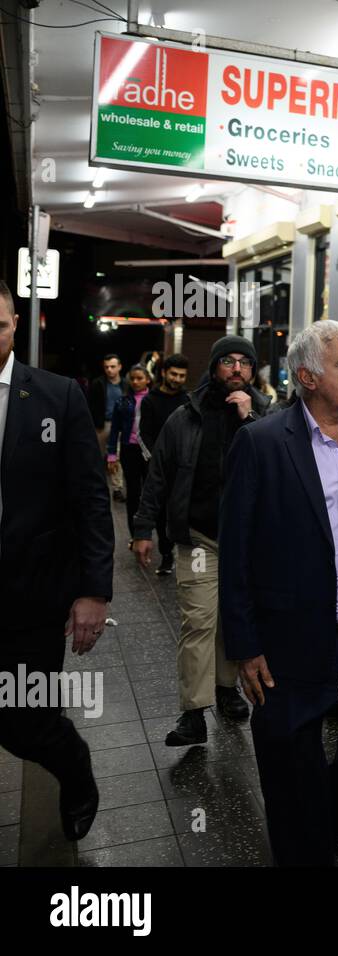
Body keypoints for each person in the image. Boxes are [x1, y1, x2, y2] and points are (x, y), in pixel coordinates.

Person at [221, 321, 338, 866]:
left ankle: (331, 801)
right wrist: (244, 645)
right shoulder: (262, 443)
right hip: (288, 641)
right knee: (288, 767)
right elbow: (234, 550)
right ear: (307, 376)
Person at [0, 280, 113, 841]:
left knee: (25, 722)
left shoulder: (55, 396)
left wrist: (94, 591)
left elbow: (91, 498)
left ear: (15, 322)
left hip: (32, 598)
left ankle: (76, 770)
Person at [132, 337, 269, 746]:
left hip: (248, 544)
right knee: (199, 622)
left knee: (231, 620)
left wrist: (249, 419)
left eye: (245, 363)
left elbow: (276, 470)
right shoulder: (185, 417)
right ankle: (193, 714)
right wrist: (142, 529)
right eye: (228, 361)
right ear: (213, 368)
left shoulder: (268, 416)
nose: (237, 369)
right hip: (198, 540)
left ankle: (226, 690)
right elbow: (157, 476)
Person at [139, 353, 190, 576]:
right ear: (163, 373)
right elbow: (145, 434)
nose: (177, 379)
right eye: (174, 374)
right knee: (159, 511)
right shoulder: (151, 400)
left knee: (179, 509)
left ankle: (178, 550)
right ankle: (166, 554)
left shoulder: (188, 400)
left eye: (182, 375)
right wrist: (155, 460)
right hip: (158, 465)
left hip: (183, 466)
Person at [105, 363, 153, 542]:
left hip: (148, 450)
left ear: (148, 380)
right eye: (132, 379)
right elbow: (115, 429)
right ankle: (135, 534)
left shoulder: (153, 399)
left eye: (140, 378)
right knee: (133, 492)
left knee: (150, 491)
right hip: (129, 449)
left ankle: (147, 529)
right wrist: (111, 455)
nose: (135, 382)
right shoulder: (123, 401)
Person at [87, 353, 126, 501]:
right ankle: (95, 486)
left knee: (116, 457)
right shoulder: (98, 383)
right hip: (102, 425)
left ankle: (117, 489)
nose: (109, 370)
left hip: (120, 426)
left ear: (120, 367)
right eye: (106, 367)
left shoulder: (126, 384)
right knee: (97, 456)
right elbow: (90, 404)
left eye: (113, 366)